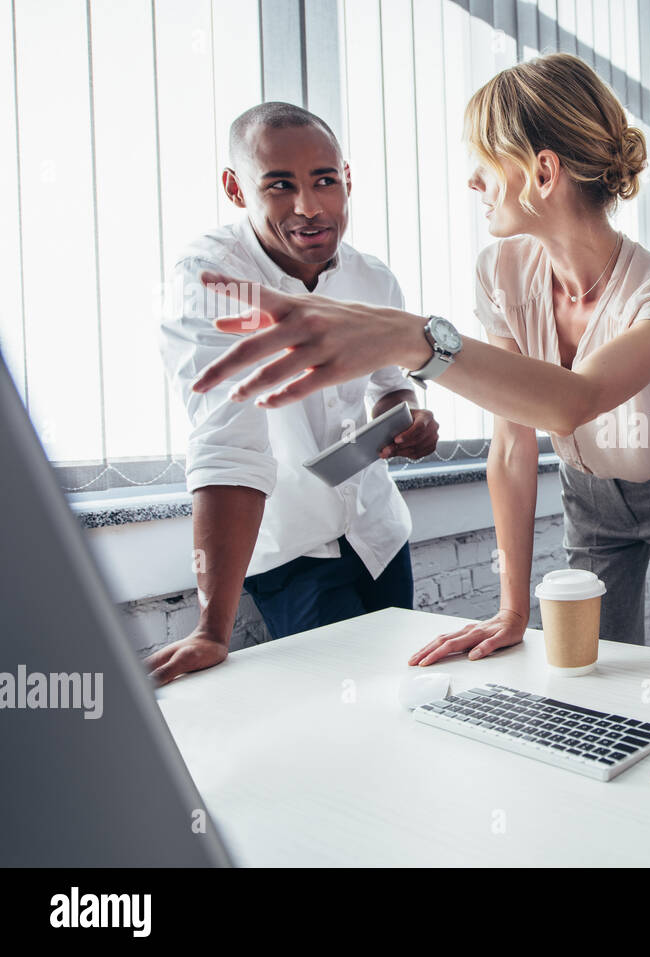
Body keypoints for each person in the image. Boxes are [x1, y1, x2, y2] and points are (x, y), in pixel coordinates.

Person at [188, 54, 650, 658]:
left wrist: (415, 338)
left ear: (543, 171)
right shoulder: (500, 270)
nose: (473, 180)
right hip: (589, 493)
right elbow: (512, 443)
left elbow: (571, 404)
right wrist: (511, 608)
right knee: (595, 666)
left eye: (484, 159)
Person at [150, 103, 440, 686]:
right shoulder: (209, 279)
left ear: (347, 179)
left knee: (403, 697)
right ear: (235, 189)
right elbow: (226, 446)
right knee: (339, 721)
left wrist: (408, 419)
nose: (310, 207)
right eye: (280, 186)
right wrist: (212, 629)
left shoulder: (374, 278)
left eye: (324, 181)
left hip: (380, 534)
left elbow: (392, 383)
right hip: (293, 554)